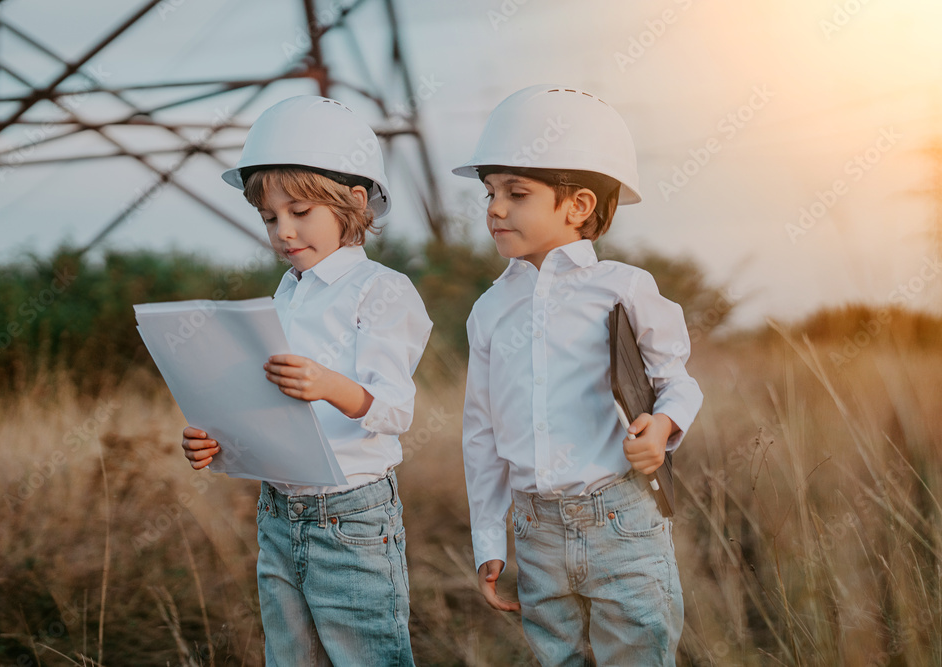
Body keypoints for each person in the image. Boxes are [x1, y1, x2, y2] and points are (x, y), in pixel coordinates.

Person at [453, 85, 704, 665]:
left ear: (579, 206)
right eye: (490, 193)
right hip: (536, 530)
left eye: (517, 194)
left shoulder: (623, 287)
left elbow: (678, 381)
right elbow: (480, 434)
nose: (494, 208)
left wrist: (664, 427)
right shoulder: (489, 310)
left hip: (621, 520)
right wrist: (491, 539)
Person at [181, 95, 431, 666]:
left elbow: (395, 411)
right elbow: (272, 406)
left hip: (352, 516)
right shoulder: (287, 292)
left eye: (299, 212)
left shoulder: (382, 289)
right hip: (279, 510)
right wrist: (218, 438)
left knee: (369, 657)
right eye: (270, 217)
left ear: (354, 202)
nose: (283, 231)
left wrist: (327, 384)